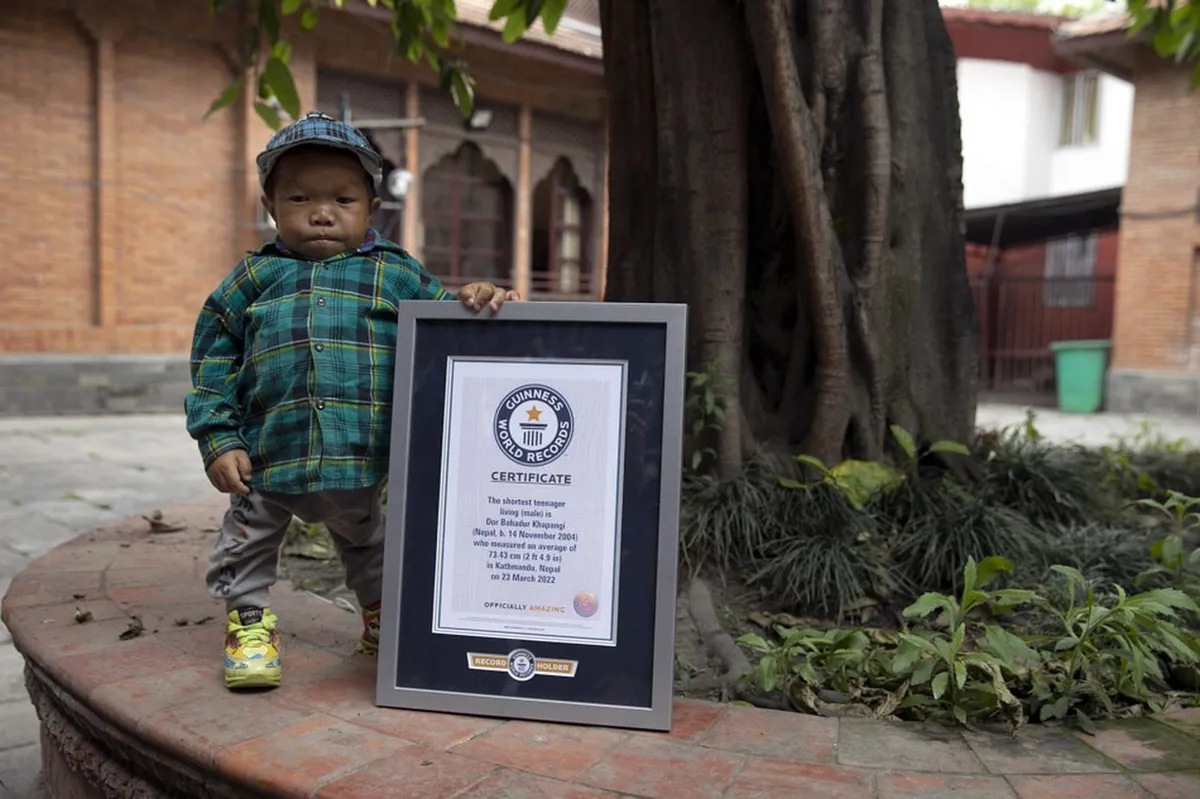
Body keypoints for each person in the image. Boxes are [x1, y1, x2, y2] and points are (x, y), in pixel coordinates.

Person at [185, 111, 520, 690]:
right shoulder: (252, 279)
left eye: (342, 198)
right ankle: (249, 623)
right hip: (267, 456)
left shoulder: (395, 274)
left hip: (359, 456)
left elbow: (449, 330)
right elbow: (212, 362)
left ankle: (381, 622)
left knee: (371, 548)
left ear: (372, 207)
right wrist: (218, 437)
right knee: (246, 543)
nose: (321, 211)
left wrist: (477, 298)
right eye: (299, 198)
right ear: (271, 206)